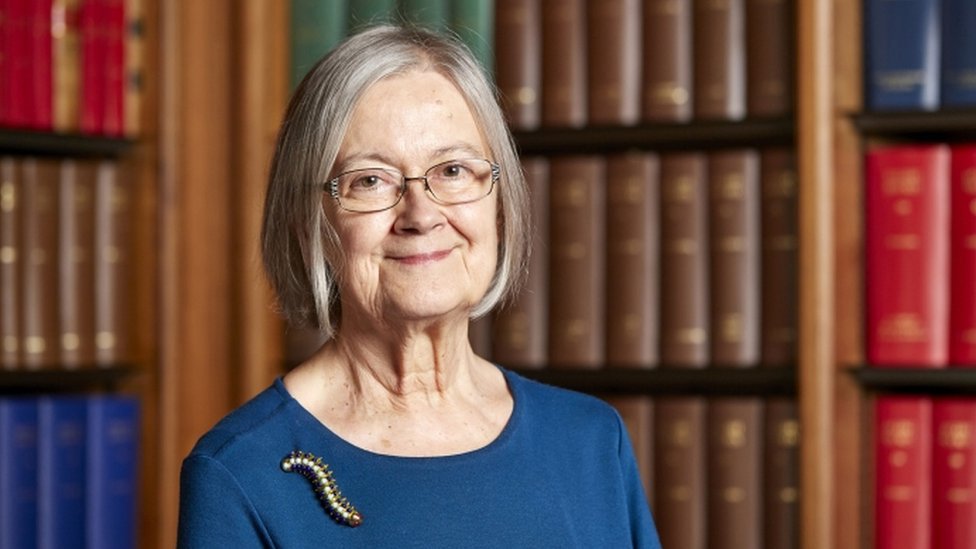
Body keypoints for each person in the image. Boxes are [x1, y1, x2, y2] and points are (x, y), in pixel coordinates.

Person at [177, 24, 662, 548]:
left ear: (498, 200)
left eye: (453, 170)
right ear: (307, 220)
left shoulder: (590, 442)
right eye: (370, 180)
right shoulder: (240, 472)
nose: (422, 214)